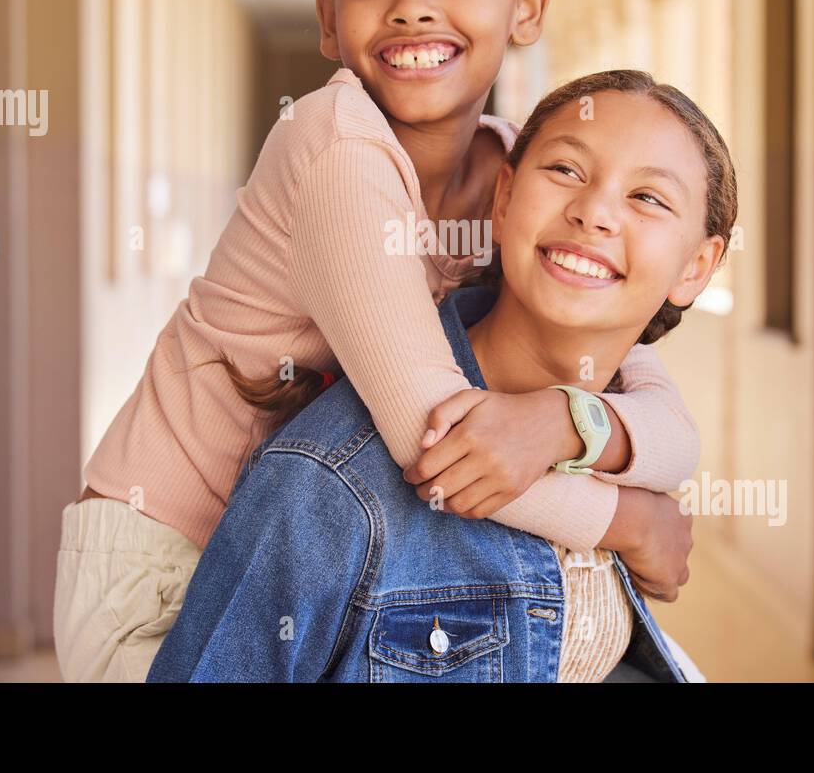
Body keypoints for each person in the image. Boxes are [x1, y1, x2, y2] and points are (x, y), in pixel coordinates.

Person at [147, 69, 736, 682]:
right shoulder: (332, 485)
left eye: (648, 198)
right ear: (504, 201)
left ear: (696, 267)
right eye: (565, 170)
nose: (593, 213)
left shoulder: (624, 435)